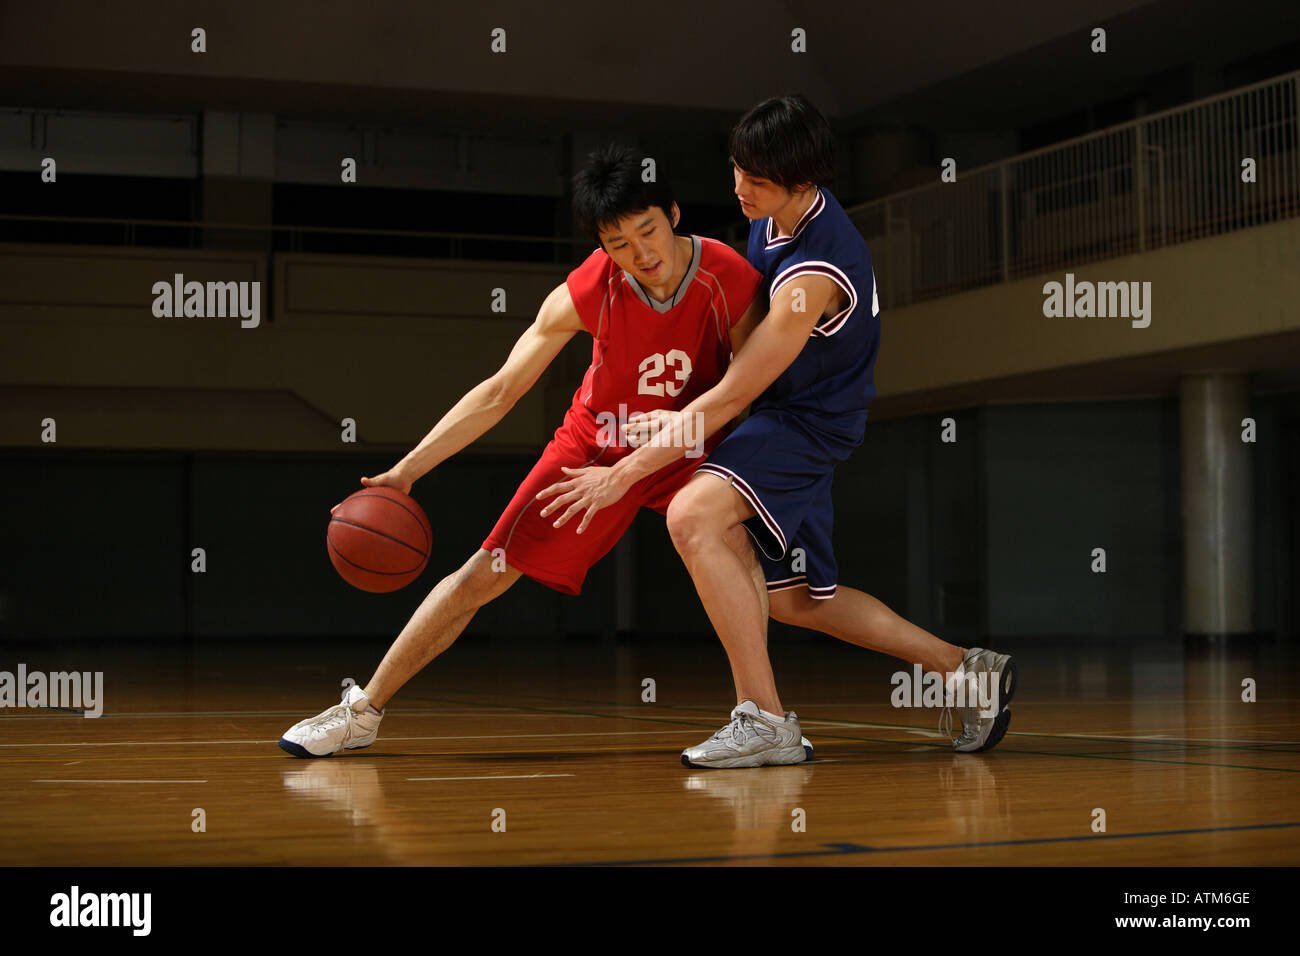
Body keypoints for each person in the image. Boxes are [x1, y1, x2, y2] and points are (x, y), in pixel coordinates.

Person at [537, 95, 1017, 768]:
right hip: (787, 419)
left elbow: (739, 389)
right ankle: (965, 668)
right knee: (796, 602)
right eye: (736, 170)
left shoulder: (815, 272)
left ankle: (763, 720)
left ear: (802, 181)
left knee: (693, 514)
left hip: (805, 423)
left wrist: (629, 467)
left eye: (755, 181)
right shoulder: (775, 218)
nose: (738, 188)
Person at [279, 143, 769, 757]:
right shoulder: (587, 291)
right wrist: (407, 472)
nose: (641, 254)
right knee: (482, 575)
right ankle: (362, 711)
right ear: (600, 244)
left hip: (691, 443)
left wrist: (681, 442)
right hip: (596, 446)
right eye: (618, 243)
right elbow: (501, 391)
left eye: (648, 230)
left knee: (735, 549)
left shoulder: (729, 277)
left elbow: (745, 390)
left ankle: (761, 718)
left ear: (672, 213)